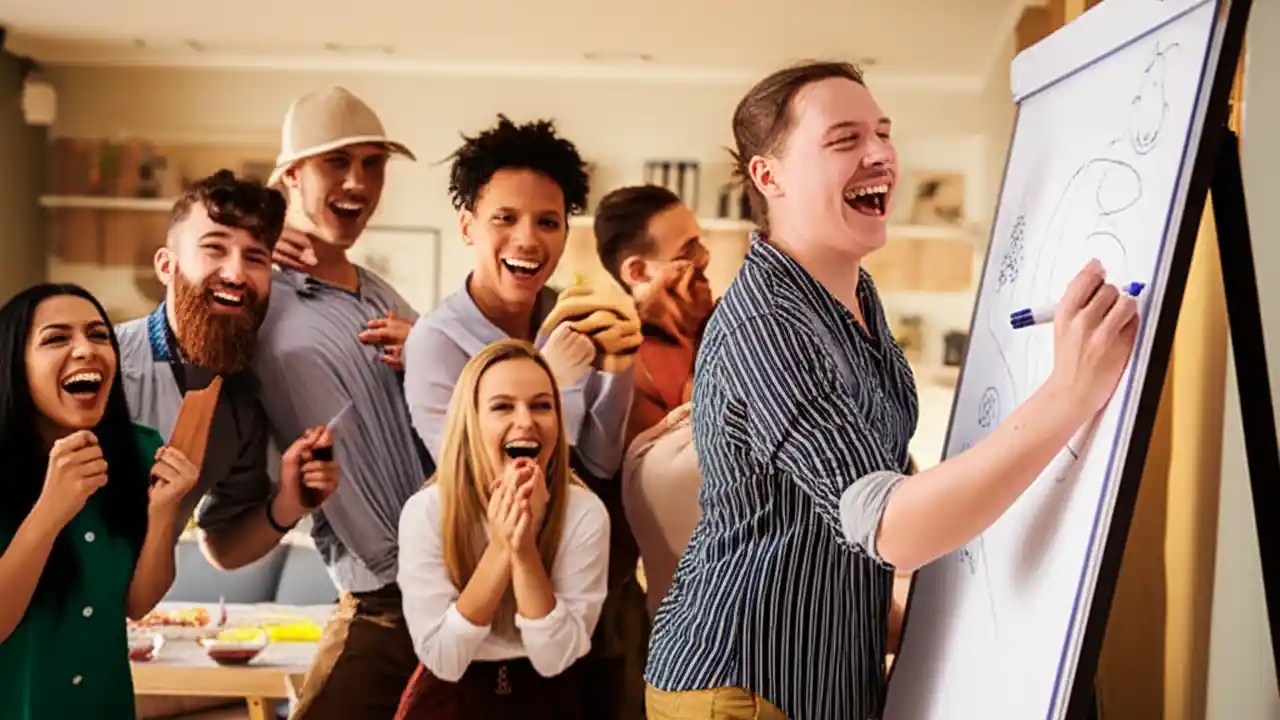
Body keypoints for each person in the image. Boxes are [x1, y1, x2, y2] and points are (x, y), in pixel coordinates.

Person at [643, 61, 1140, 720]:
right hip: (743, 686)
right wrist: (1071, 391)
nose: (879, 153)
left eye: (882, 133)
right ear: (769, 176)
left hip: (816, 674)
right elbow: (888, 527)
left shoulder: (854, 295)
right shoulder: (768, 325)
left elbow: (841, 496)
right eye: (844, 139)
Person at [399, 114, 642, 718]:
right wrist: (550, 377)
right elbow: (474, 473)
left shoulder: (571, 315)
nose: (528, 240)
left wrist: (618, 367)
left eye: (548, 222)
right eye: (504, 218)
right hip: (476, 608)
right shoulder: (437, 340)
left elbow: (596, 464)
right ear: (468, 226)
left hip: (569, 588)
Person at [254, 86, 428, 719]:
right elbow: (184, 317)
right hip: (378, 605)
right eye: (336, 162)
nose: (358, 181)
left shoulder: (383, 296)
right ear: (290, 176)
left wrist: (429, 348)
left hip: (447, 594)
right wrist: (250, 242)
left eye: (373, 163)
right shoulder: (254, 291)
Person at [116, 170, 339, 570]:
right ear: (166, 265)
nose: (235, 274)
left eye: (255, 258)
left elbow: (222, 546)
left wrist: (288, 504)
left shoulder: (241, 403)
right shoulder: (104, 365)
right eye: (214, 249)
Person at [0, 283, 201, 719]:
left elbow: (137, 603)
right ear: (14, 363)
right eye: (56, 338)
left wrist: (163, 510)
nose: (86, 350)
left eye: (98, 335)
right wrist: (50, 511)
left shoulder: (139, 450)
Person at [394, 339, 610, 719]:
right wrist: (502, 544)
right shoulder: (426, 512)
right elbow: (444, 659)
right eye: (502, 407)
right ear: (471, 422)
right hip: (449, 703)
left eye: (541, 405)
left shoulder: (584, 512)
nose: (525, 421)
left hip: (548, 700)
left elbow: (554, 658)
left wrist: (525, 552)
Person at [592, 184, 714, 447]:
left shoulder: (717, 328)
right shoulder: (620, 368)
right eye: (688, 251)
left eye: (700, 244)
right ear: (637, 272)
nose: (704, 258)